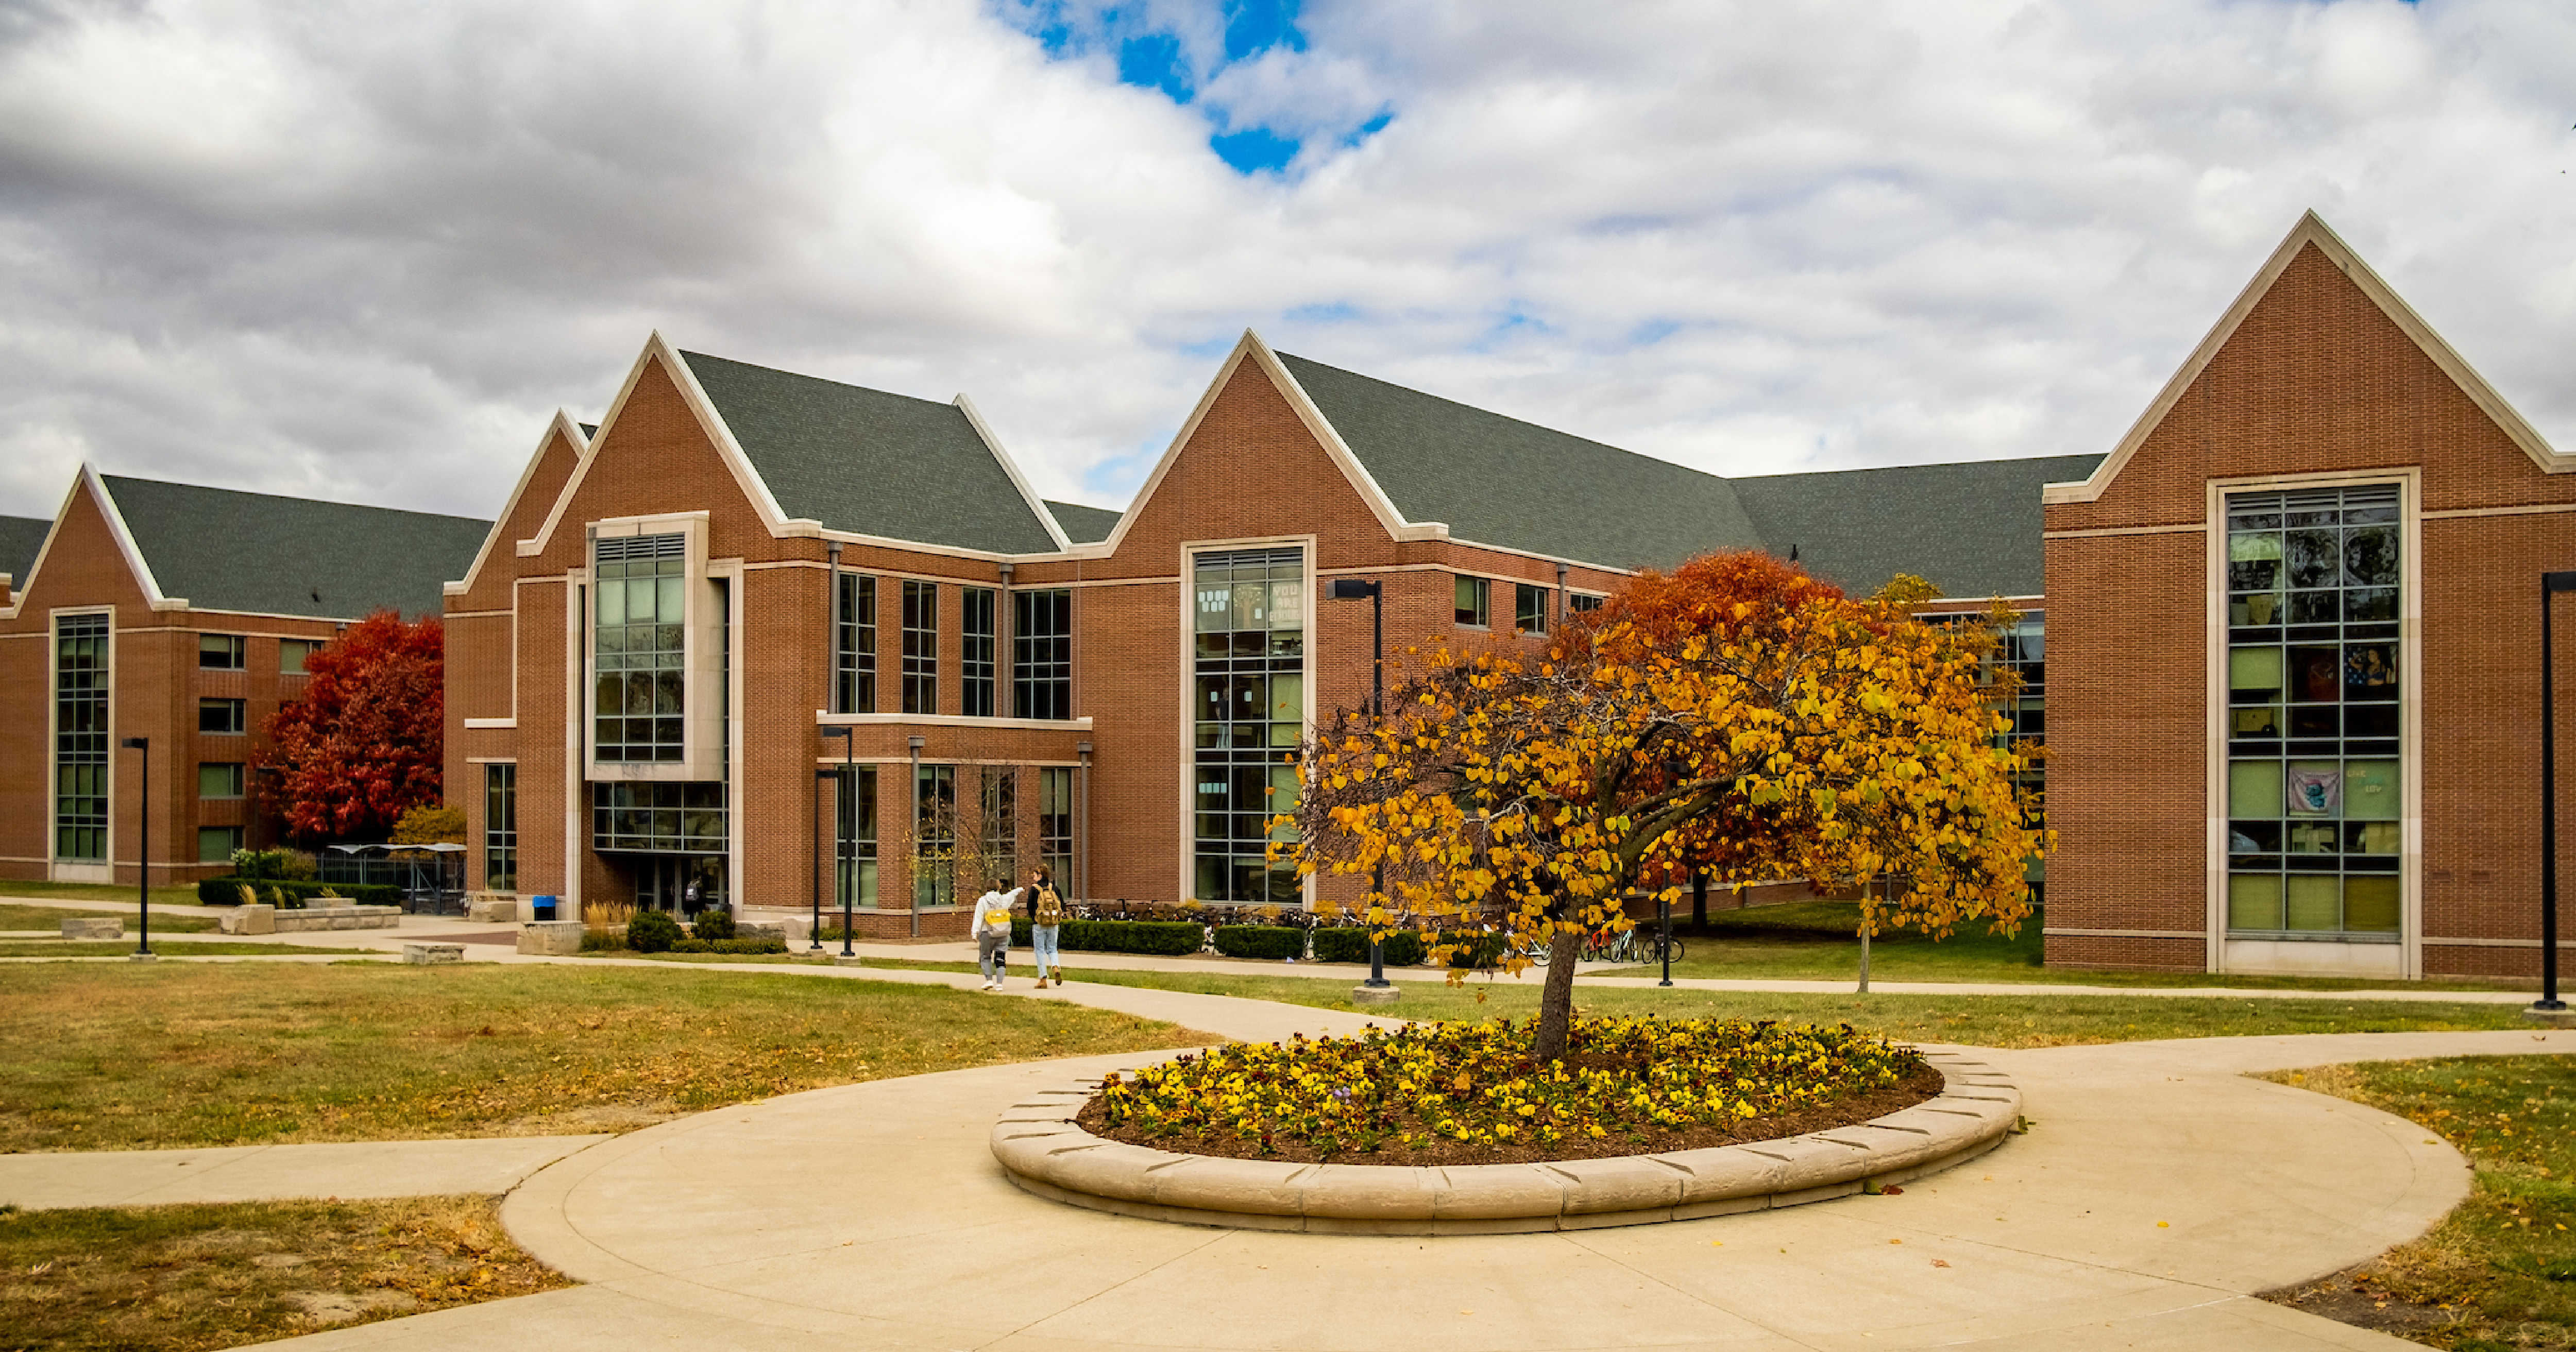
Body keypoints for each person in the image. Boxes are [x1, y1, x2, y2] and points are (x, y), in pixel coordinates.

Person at [1023, 866, 1065, 988]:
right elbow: (1062, 905)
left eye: (1035, 875)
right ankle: (1056, 966)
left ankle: (1043, 979)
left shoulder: (1034, 889)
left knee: (1040, 951)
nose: (1033, 877)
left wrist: (1035, 919)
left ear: (1040, 875)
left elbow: (1030, 906)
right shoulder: (1055, 888)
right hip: (1053, 923)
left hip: (1039, 924)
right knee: (1053, 948)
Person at [970, 883, 1015, 989]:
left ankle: (989, 980)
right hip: (1003, 933)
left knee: (985, 957)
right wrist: (1019, 890)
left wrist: (975, 933)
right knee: (1001, 959)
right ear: (999, 888)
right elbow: (1012, 895)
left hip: (987, 932)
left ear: (987, 889)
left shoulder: (983, 901)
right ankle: (999, 984)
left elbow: (978, 917)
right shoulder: (1004, 899)